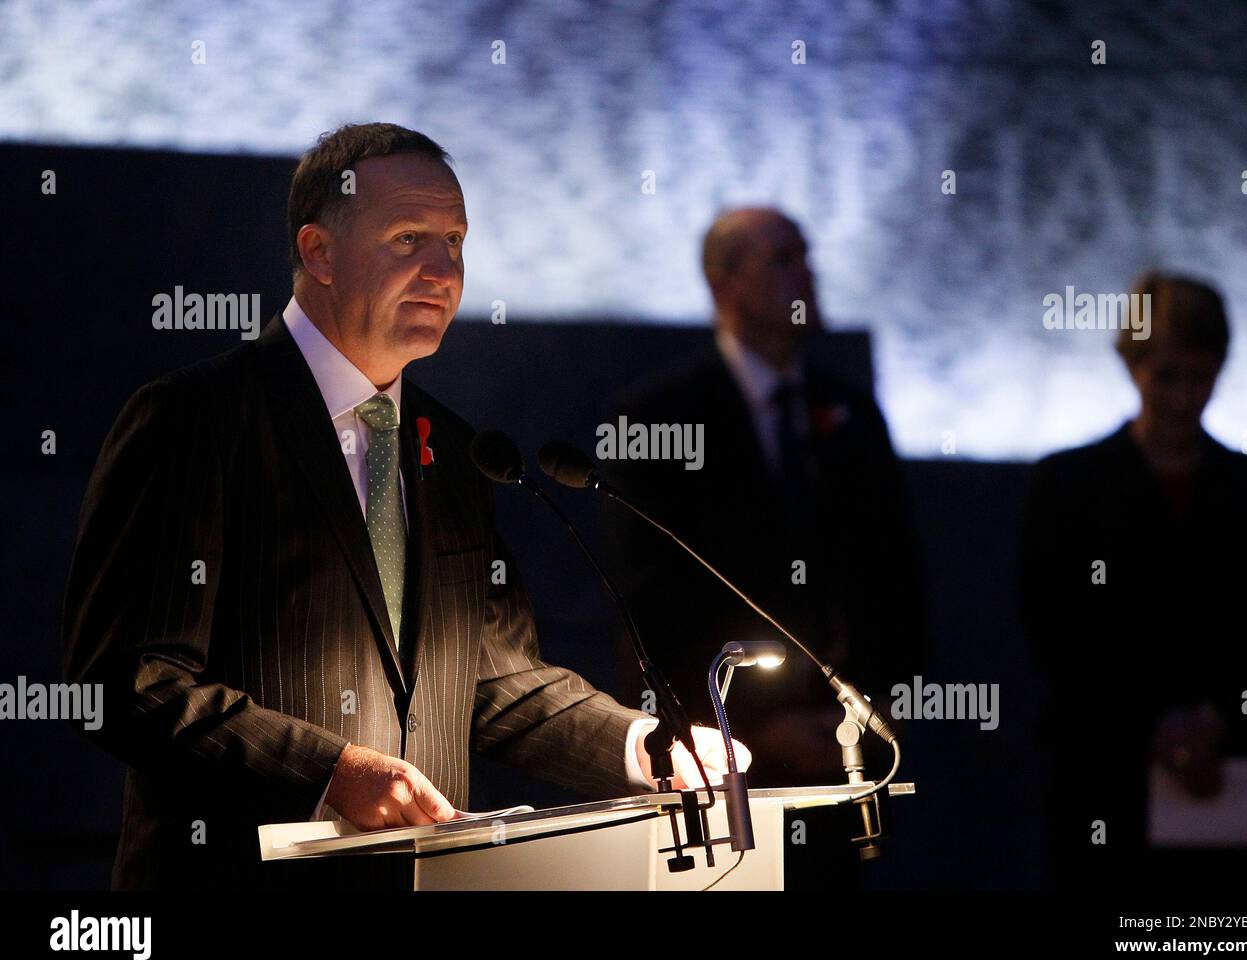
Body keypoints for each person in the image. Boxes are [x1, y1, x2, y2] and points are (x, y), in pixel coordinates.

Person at [61, 122, 747, 890]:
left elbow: (495, 682)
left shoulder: (456, 452)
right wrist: (330, 772)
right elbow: (126, 682)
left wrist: (649, 746)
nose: (442, 269)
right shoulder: (197, 421)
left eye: (455, 241)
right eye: (408, 238)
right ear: (318, 252)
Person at [606, 207, 927, 790]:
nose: (807, 273)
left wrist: (877, 704)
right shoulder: (660, 419)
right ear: (723, 282)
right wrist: (753, 723)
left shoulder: (852, 412)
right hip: (720, 754)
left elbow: (895, 574)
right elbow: (653, 600)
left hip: (854, 746)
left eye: (806, 254)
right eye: (784, 258)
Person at [1021, 271, 1247, 889]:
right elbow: (1057, 633)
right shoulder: (1066, 489)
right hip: (1106, 782)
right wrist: (1163, 727)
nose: (1180, 398)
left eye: (1197, 377)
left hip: (1232, 781)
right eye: (1165, 375)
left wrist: (1216, 722)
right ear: (1132, 366)